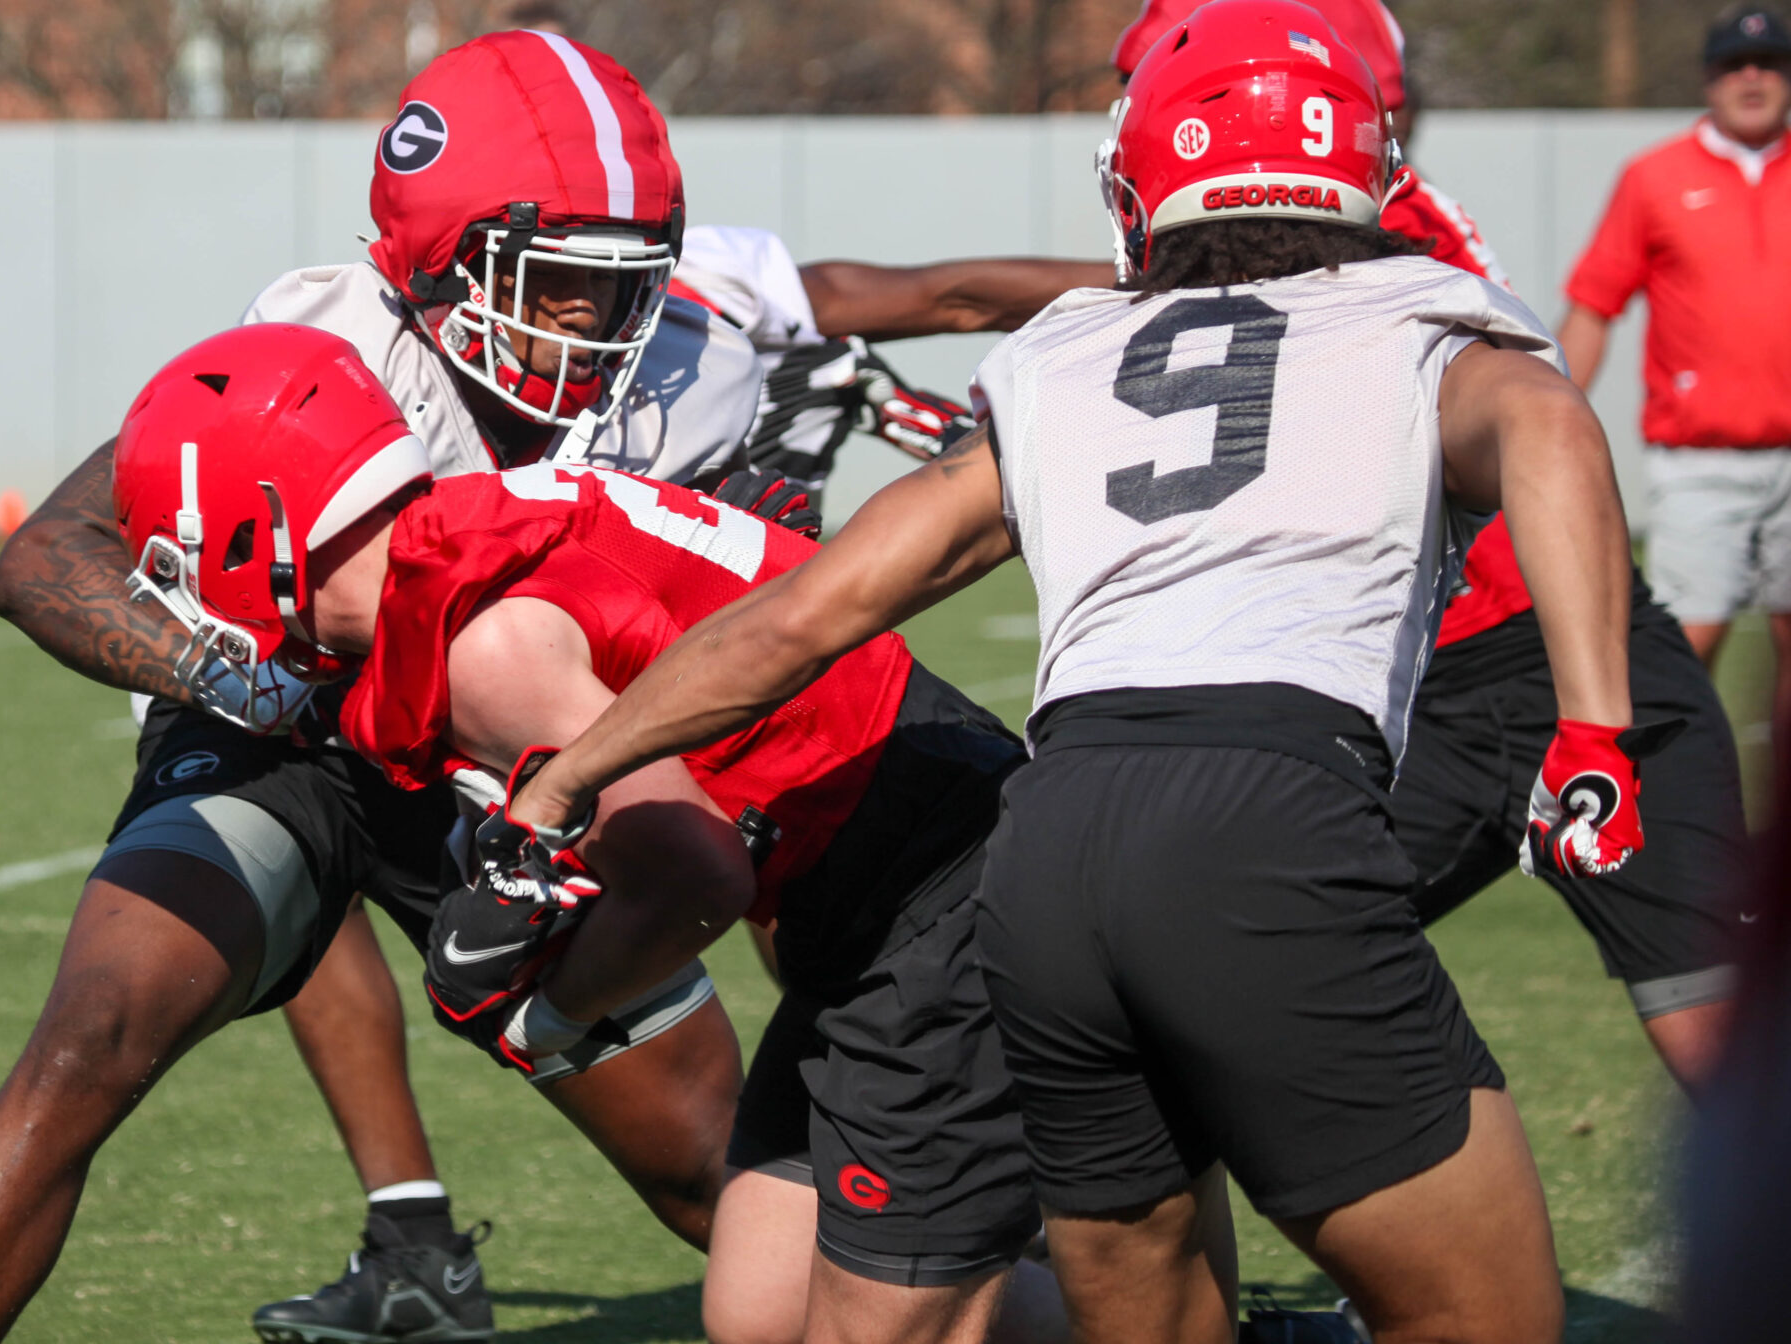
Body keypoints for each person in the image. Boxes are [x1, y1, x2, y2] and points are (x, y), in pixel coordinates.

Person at [496, 5, 1648, 1342]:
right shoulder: (1417, 318)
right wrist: (1597, 733)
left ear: (1140, 181)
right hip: (1265, 812)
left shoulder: (1069, 353)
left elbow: (806, 614)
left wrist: (569, 776)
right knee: (1485, 1319)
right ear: (1369, 174)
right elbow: (1555, 429)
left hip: (1044, 854)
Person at [0, 33, 776, 1344]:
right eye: (557, 282)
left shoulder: (696, 360)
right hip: (287, 729)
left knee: (716, 1175)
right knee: (88, 1044)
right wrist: (226, 678)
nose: (595, 324)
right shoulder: (321, 342)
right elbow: (45, 556)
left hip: (506, 760)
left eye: (616, 283)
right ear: (437, 254)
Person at [113, 321, 1057, 1344]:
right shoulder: (473, 527)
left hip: (931, 883)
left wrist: (548, 1015)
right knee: (765, 1306)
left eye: (186, 566)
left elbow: (698, 872)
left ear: (260, 533)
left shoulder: (484, 647)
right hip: (890, 868)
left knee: (876, 1319)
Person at [1113, 0, 1750, 1093]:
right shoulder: (1341, 218)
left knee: (1717, 1010)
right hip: (1405, 690)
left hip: (1535, 656)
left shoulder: (1364, 236)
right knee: (1227, 987)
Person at [1561, 6, 1791, 746]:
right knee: (1686, 645)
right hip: (1702, 462)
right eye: (1734, 66)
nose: (1752, 79)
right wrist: (1551, 420)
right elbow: (1594, 307)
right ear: (1708, 79)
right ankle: (1668, 815)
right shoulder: (1656, 177)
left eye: (1768, 65)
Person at [671, 226, 1111, 494]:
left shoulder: (702, 274)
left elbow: (957, 300)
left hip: (730, 554)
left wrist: (1159, 275)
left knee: (827, 368)